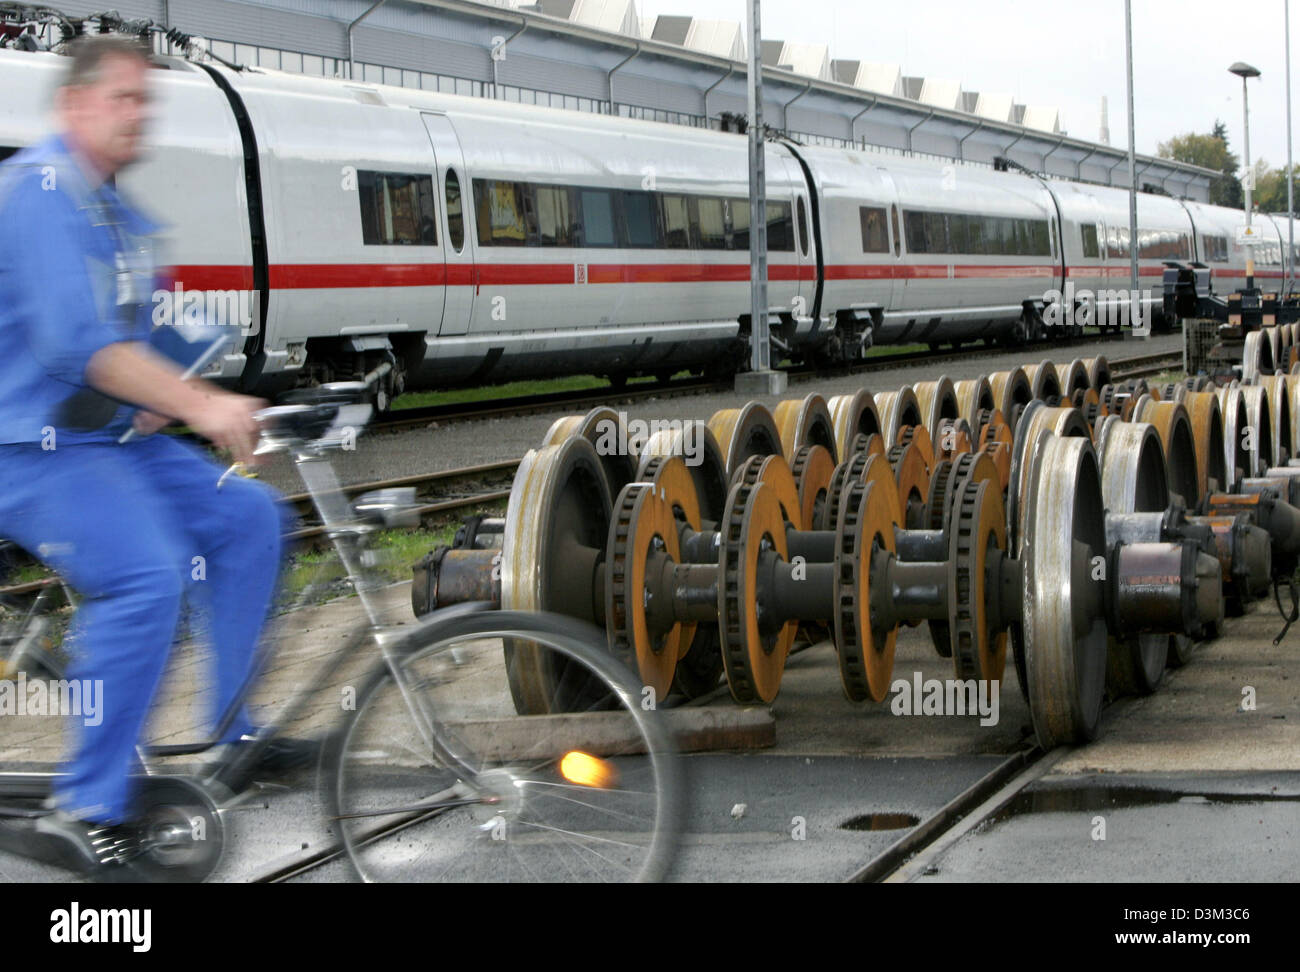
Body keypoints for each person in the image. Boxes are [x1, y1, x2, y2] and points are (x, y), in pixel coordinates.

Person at [0, 34, 313, 874]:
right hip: (29, 447)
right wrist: (195, 405)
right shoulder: (36, 193)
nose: (141, 116)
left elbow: (170, 322)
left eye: (148, 101)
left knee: (250, 517)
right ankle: (85, 803)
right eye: (125, 99)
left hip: (106, 441)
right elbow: (77, 344)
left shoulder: (115, 209)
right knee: (148, 575)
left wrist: (223, 388)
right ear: (74, 104)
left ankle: (230, 733)